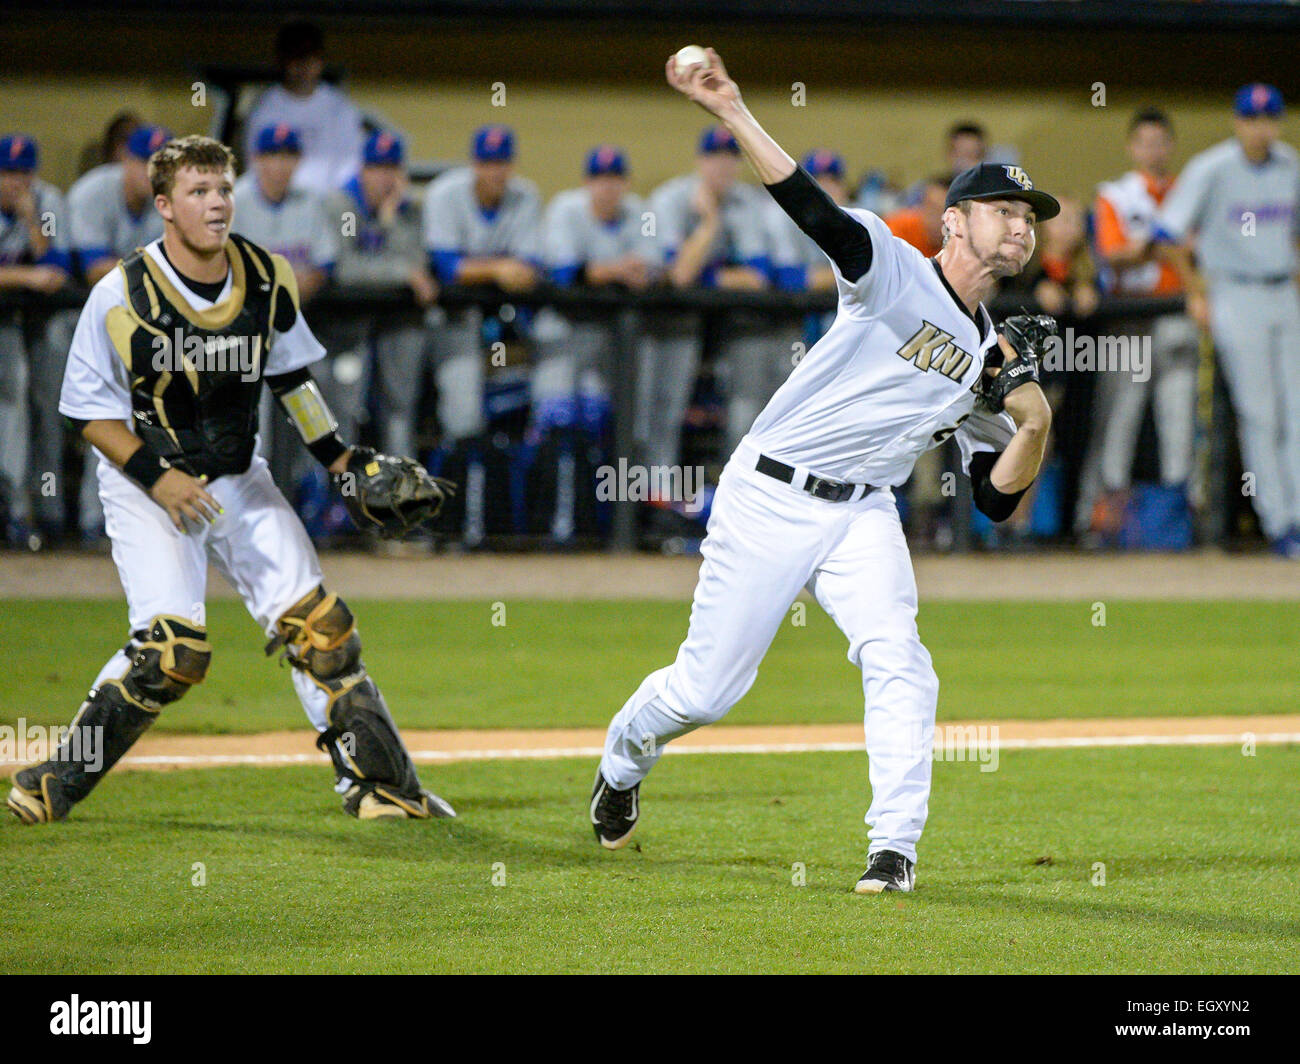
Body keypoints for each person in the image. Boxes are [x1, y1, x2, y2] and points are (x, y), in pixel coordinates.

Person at [590, 49, 1059, 894]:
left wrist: (1035, 418)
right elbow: (811, 208)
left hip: (862, 513)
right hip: (771, 492)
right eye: (1002, 208)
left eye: (1030, 215)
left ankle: (894, 850)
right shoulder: (893, 268)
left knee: (900, 657)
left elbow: (994, 501)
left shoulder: (993, 357)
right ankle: (623, 762)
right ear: (955, 222)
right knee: (705, 693)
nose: (1021, 224)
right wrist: (731, 110)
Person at [7, 135, 455, 825]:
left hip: (238, 475)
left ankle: (383, 786)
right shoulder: (120, 293)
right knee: (170, 654)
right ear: (164, 206)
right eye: (198, 191)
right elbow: (88, 415)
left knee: (324, 630)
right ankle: (53, 781)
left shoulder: (265, 274)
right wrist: (160, 480)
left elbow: (291, 378)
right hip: (146, 483)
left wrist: (342, 460)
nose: (217, 204)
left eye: (223, 189)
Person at [1158, 84, 1300, 557]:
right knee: (1260, 415)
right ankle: (1279, 522)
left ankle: (1296, 514)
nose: (1261, 127)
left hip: (1283, 290)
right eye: (1252, 119)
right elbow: (1168, 234)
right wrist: (1198, 291)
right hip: (1234, 292)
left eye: (1269, 118)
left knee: (1296, 412)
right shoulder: (1211, 167)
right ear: (1238, 122)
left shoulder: (1290, 164)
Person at [422, 124, 541, 545]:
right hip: (450, 322)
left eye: (502, 162)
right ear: (474, 164)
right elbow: (446, 266)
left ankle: (495, 525)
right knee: (462, 419)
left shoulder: (525, 195)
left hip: (503, 330)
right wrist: (496, 269)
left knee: (509, 420)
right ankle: (449, 525)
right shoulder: (444, 193)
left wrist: (486, 270)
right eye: (487, 162)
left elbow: (528, 270)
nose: (495, 171)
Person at [639, 125, 778, 482]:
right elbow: (679, 275)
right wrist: (709, 225)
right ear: (700, 162)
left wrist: (708, 272)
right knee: (659, 411)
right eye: (715, 158)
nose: (723, 168)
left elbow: (758, 278)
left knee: (734, 409)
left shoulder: (746, 201)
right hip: (663, 322)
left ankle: (727, 495)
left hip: (720, 323)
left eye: (731, 159)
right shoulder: (669, 199)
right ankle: (654, 500)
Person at [532, 145, 657, 542]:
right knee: (557, 423)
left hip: (612, 341)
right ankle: (551, 526)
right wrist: (617, 269)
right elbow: (564, 272)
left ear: (625, 183)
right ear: (587, 182)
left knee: (612, 430)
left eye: (615, 178)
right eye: (599, 178)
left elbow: (658, 267)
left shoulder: (641, 212)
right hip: (561, 336)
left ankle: (602, 528)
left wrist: (608, 271)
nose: (607, 187)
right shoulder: (566, 209)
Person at [1083, 109, 1196, 540]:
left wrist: (1151, 246)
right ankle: (1105, 519)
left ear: (1171, 145)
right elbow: (1112, 252)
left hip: (1175, 314)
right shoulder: (1117, 193)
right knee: (1119, 419)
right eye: (1145, 142)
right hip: (1128, 316)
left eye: (1160, 141)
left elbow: (1199, 246)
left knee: (1178, 418)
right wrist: (1163, 244)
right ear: (1132, 147)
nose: (1153, 150)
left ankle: (1175, 522)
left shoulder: (1188, 190)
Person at [232, 123, 339, 493]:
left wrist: (280, 287)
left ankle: (310, 503)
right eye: (271, 155)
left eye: (287, 156)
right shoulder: (233, 200)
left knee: (317, 409)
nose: (279, 165)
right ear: (255, 159)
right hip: (237, 335)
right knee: (254, 430)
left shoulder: (310, 202)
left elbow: (323, 267)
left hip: (291, 332)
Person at [324, 130, 438, 463]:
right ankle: (338, 494)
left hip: (396, 322)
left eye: (392, 169)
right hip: (345, 326)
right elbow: (344, 267)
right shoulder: (341, 207)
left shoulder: (408, 212)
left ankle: (400, 487)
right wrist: (399, 272)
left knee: (400, 405)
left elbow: (420, 264)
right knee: (343, 409)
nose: (385, 178)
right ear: (363, 170)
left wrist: (390, 223)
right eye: (376, 169)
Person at [0, 134, 73, 547]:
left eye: (23, 172)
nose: (16, 182)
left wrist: (31, 221)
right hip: (9, 320)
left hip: (35, 321)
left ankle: (45, 512)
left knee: (47, 407)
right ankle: (12, 509)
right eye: (8, 172)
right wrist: (26, 276)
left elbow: (57, 267)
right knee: (12, 404)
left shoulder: (46, 201)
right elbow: (38, 274)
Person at [242, 20, 366, 197]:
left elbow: (352, 164)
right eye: (297, 57)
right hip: (278, 203)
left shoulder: (340, 108)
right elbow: (255, 166)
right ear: (283, 60)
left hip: (328, 204)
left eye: (311, 57)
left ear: (321, 60)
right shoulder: (264, 109)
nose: (304, 64)